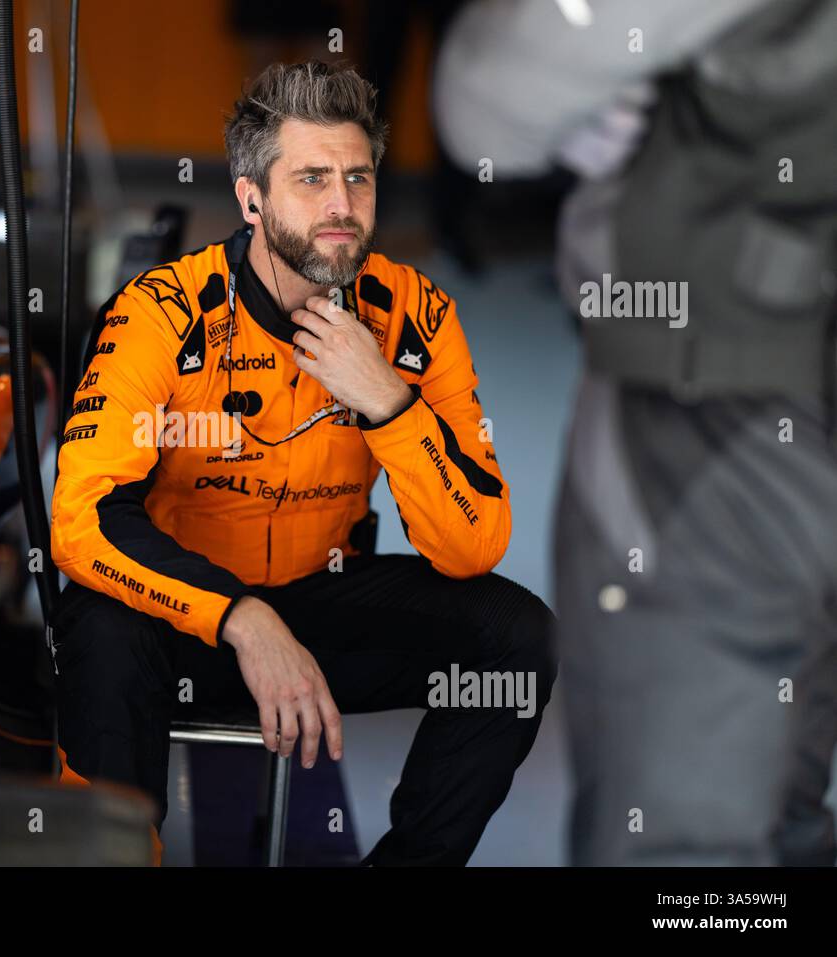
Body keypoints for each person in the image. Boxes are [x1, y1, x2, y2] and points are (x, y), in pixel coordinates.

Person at [49, 60, 556, 866]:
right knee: (102, 629)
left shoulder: (414, 314)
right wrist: (242, 619)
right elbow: (81, 520)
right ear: (251, 199)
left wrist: (389, 402)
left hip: (322, 605)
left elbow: (473, 545)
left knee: (519, 638)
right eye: (312, 178)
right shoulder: (160, 310)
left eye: (359, 178)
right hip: (179, 621)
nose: (341, 207)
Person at [435, 0, 837, 864]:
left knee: (690, 850)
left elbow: (484, 98)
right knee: (789, 794)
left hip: (723, 412)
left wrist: (637, 99)